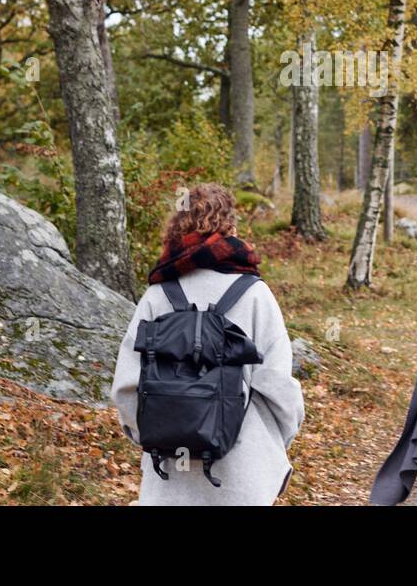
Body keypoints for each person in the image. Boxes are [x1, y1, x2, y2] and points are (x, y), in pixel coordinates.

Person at [110, 183, 304, 505]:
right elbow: (278, 387)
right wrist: (272, 443)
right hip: (241, 480)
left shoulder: (156, 296)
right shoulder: (256, 296)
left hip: (169, 481)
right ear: (229, 226)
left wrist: (154, 437)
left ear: (176, 226)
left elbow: (127, 388)